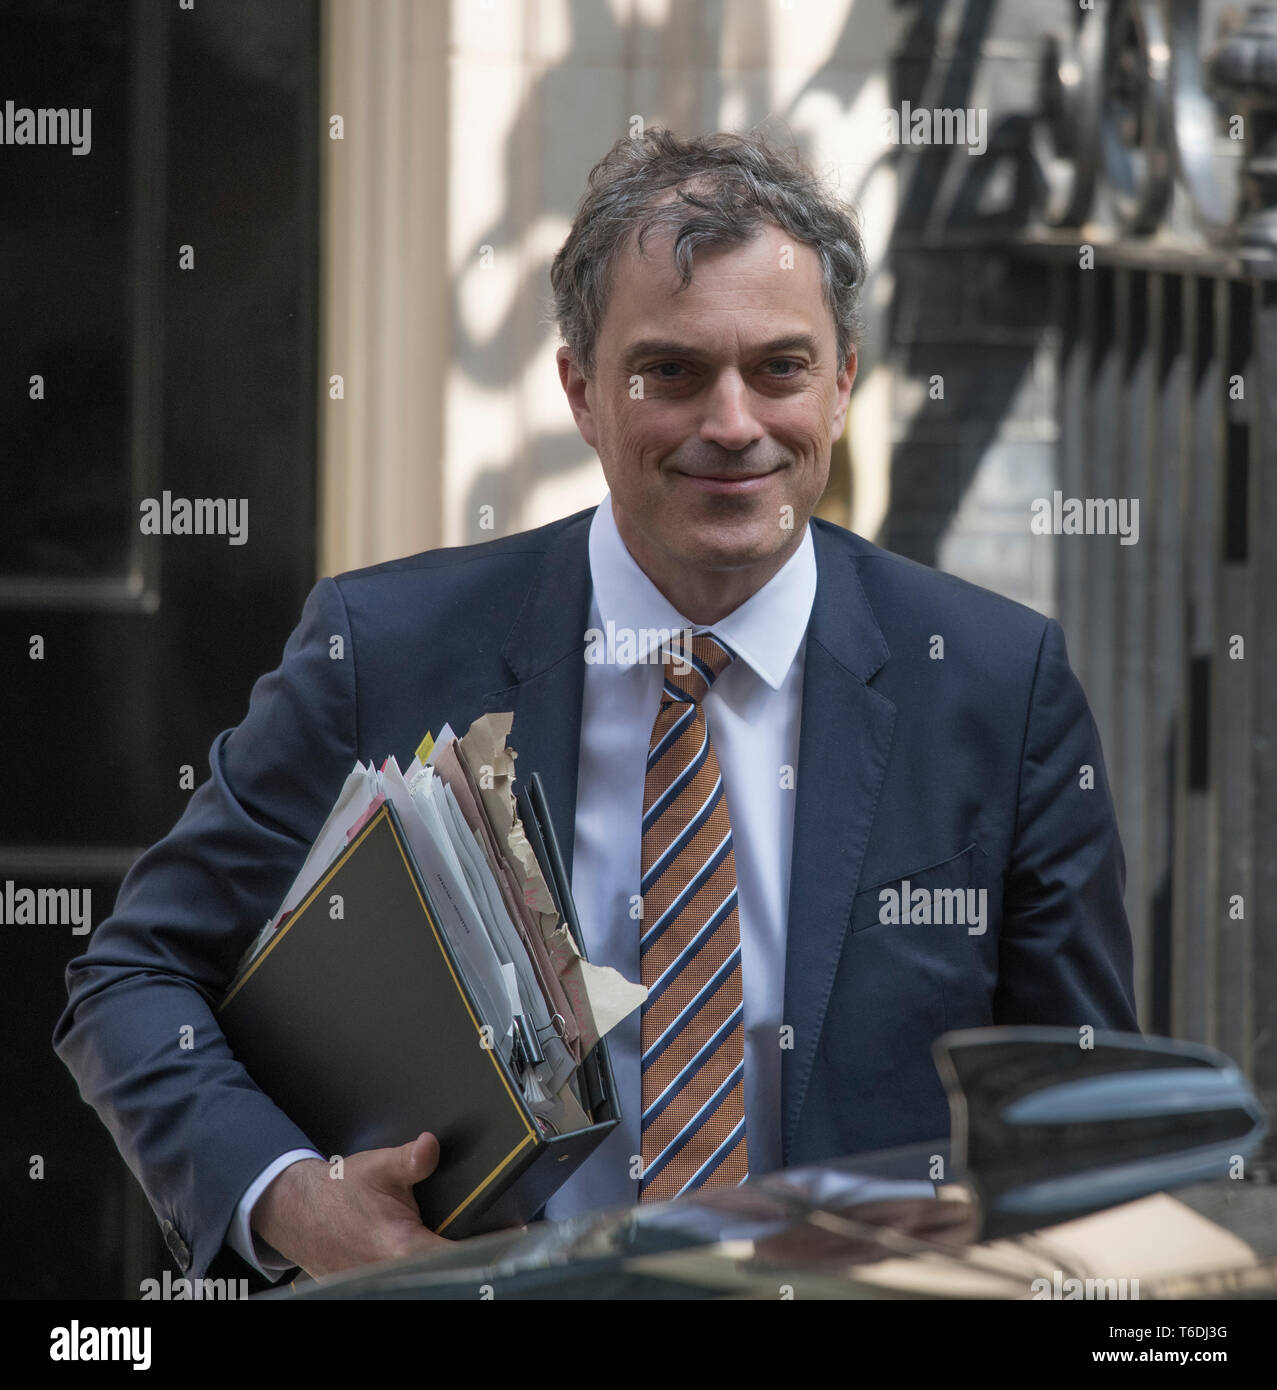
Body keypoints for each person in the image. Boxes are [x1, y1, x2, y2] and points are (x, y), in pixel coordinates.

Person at [54, 126, 1137, 1286]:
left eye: (778, 367)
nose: (732, 423)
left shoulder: (992, 683)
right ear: (579, 388)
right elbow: (133, 981)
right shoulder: (384, 650)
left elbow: (1080, 1108)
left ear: (842, 384)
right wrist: (295, 1204)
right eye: (669, 372)